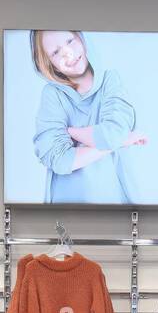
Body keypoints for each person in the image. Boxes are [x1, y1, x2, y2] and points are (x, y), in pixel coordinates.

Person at [30, 30, 145, 203]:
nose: (67, 53)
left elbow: (114, 133)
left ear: (81, 38)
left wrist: (71, 132)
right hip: (66, 211)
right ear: (49, 64)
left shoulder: (110, 80)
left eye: (70, 41)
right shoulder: (53, 94)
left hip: (116, 205)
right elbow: (59, 160)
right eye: (55, 52)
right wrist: (121, 141)